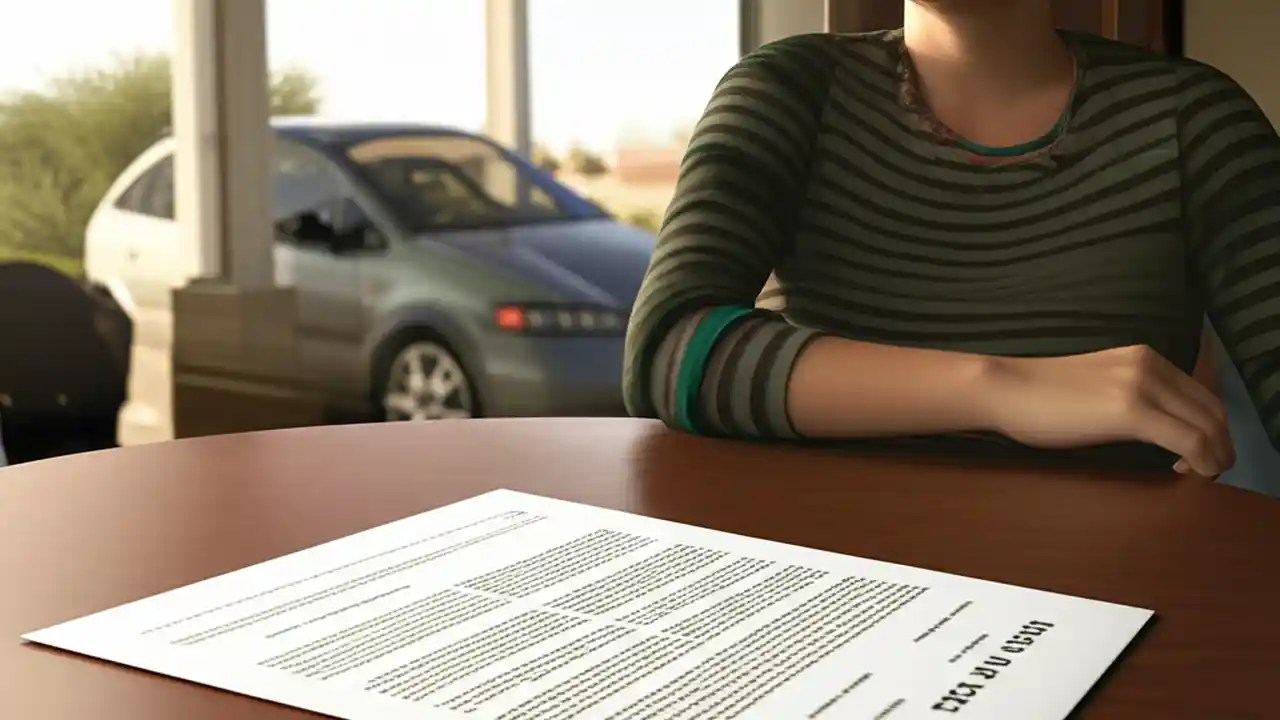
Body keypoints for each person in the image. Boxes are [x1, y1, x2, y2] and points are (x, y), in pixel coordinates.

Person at [623, 0, 1280, 478]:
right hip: (827, 572)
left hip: (1101, 585)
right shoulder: (788, 88)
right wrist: (1004, 388)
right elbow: (671, 350)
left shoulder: (1191, 119)